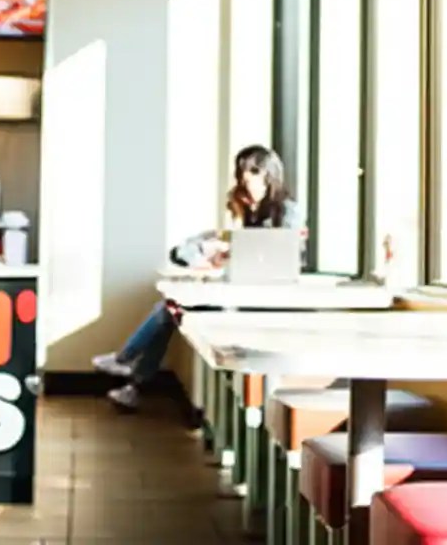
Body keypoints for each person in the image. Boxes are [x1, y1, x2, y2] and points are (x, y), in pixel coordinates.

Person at [92, 145, 303, 410]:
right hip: (238, 293)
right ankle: (132, 378)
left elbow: (283, 258)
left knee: (166, 311)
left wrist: (231, 251)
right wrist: (219, 248)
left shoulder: (286, 213)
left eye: (251, 177)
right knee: (168, 309)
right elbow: (185, 252)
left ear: (267, 176)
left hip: (261, 301)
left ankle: (129, 371)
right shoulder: (248, 213)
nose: (245, 185)